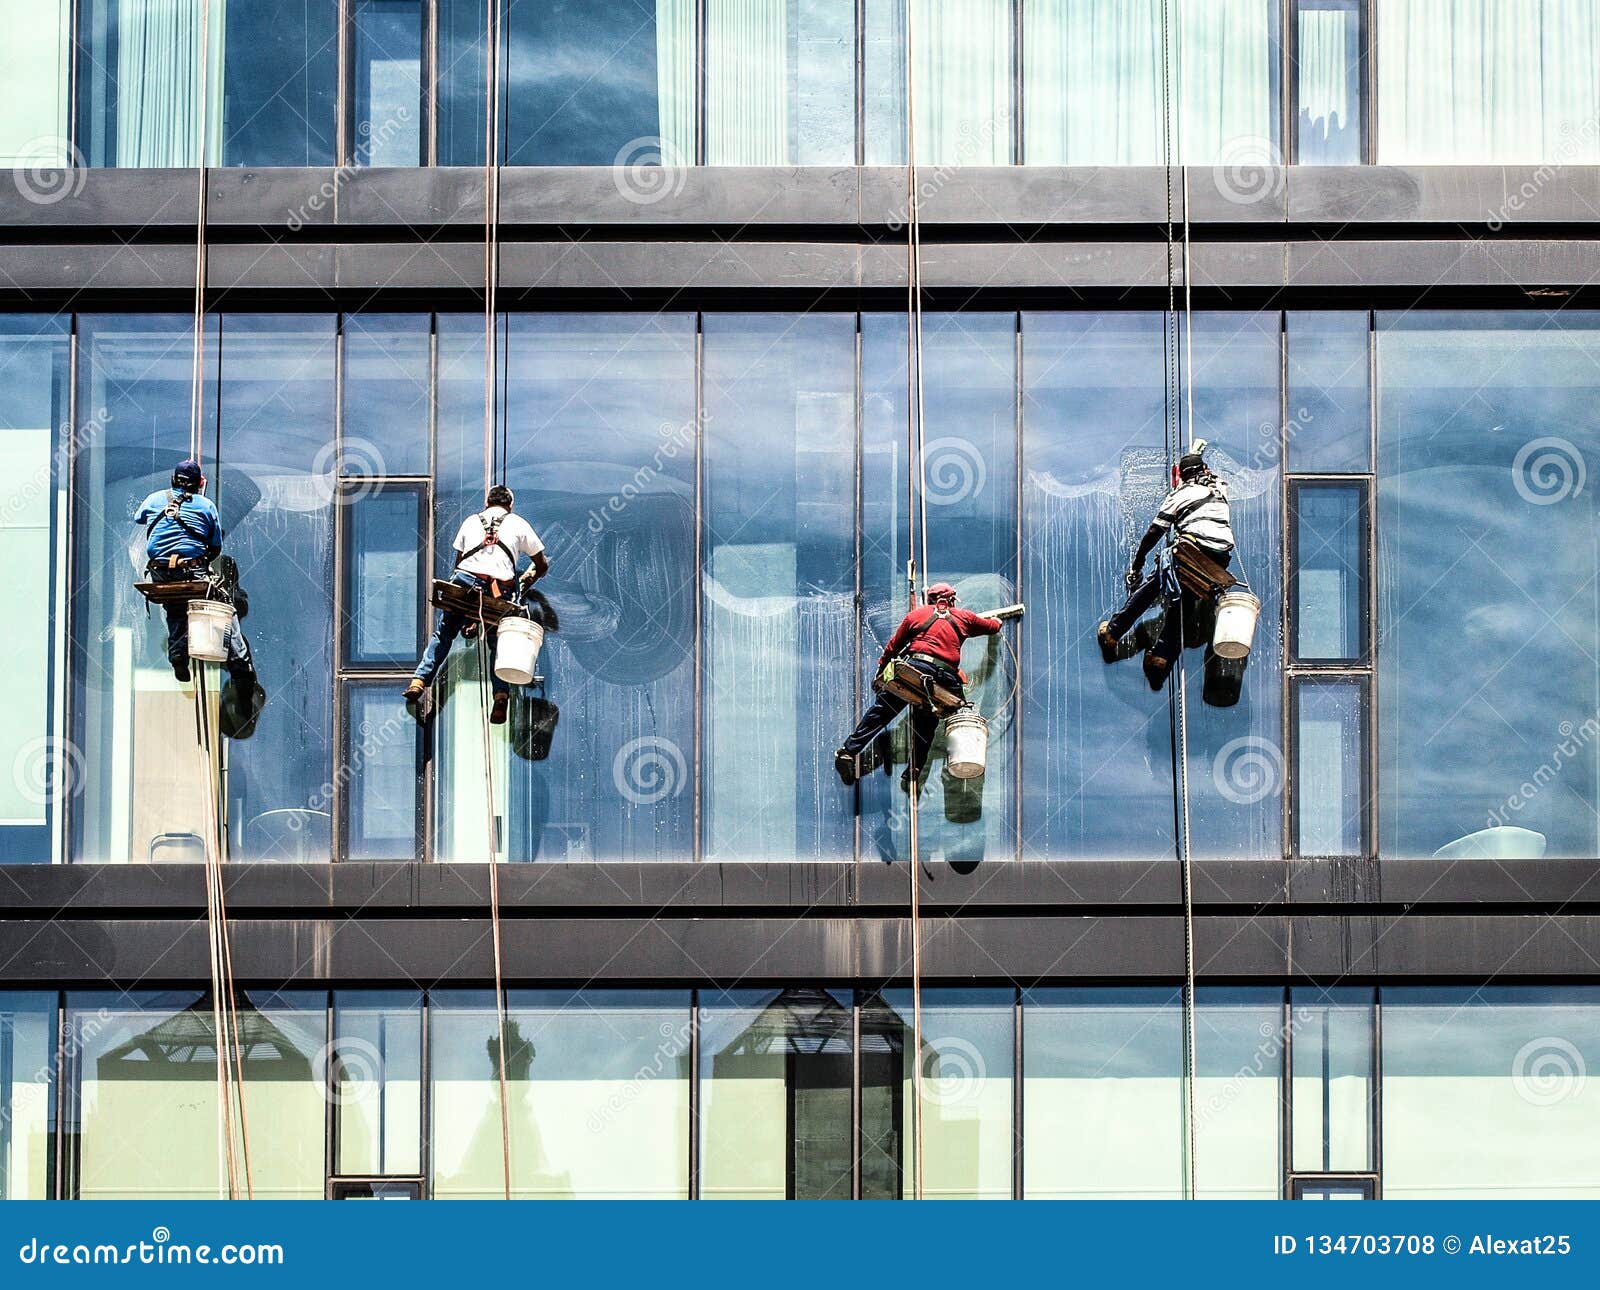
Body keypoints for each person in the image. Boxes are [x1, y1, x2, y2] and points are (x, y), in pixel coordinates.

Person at [835, 583, 1002, 792]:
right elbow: (993, 627)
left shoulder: (916, 616)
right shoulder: (964, 617)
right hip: (943, 679)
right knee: (928, 722)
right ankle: (915, 769)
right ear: (951, 600)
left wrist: (881, 672)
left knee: (881, 712)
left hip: (915, 669)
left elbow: (893, 647)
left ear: (930, 600)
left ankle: (848, 752)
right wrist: (996, 620)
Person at [405, 484, 549, 724]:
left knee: (444, 634)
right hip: (498, 591)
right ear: (510, 505)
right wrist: (529, 579)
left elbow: (460, 564)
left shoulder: (471, 521)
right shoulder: (518, 523)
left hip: (465, 583)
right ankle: (501, 696)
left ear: (487, 503)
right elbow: (541, 563)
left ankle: (419, 680)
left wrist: (468, 616)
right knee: (498, 643)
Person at [1098, 446, 1234, 687]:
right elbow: (1206, 477)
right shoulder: (1220, 488)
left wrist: (1138, 562)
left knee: (1155, 583)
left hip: (1193, 552)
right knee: (1183, 602)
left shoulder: (1181, 494)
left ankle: (1113, 631)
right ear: (1204, 470)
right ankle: (1161, 656)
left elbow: (1155, 531)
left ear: (1183, 476)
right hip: (1219, 559)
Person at [134, 458, 252, 685]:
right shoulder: (206, 505)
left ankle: (178, 655)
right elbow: (216, 545)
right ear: (199, 483)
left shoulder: (154, 499)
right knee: (224, 606)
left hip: (161, 572)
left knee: (176, 608)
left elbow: (139, 517)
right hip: (191, 570)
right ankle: (240, 662)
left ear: (173, 479)